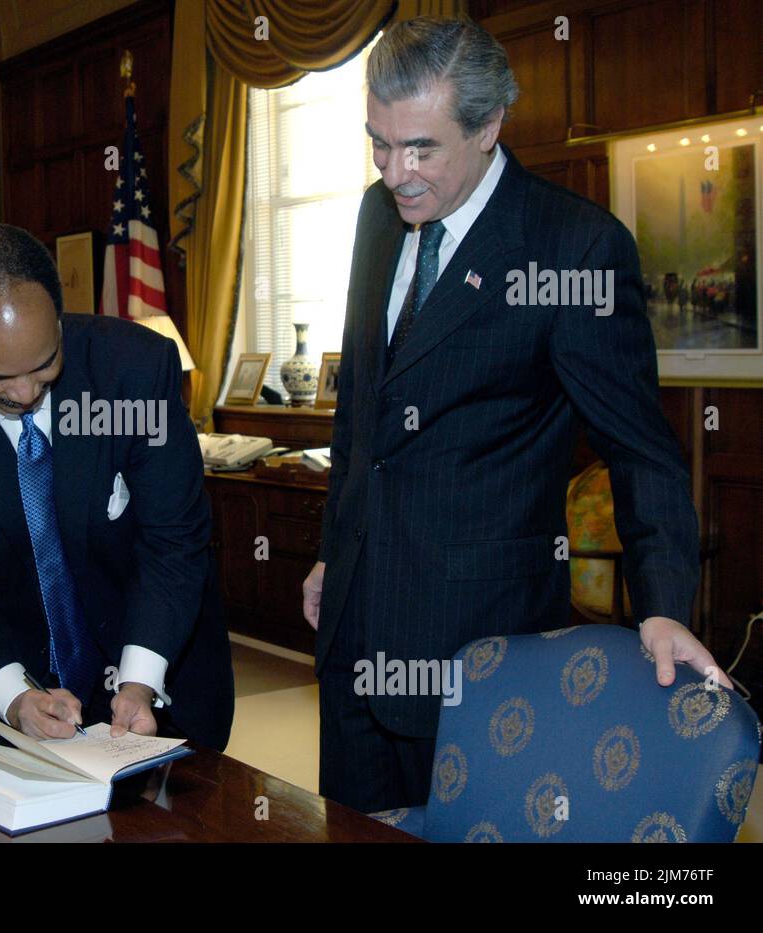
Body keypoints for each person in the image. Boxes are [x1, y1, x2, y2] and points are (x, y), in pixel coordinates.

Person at [301, 17, 727, 814]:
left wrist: (665, 602)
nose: (397, 173)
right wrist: (337, 548)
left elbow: (642, 450)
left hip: (481, 648)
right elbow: (363, 409)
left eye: (421, 147)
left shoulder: (572, 249)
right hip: (355, 630)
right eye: (379, 144)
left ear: (489, 125)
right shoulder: (374, 216)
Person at [0, 223, 233, 750]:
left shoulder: (132, 373)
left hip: (160, 669)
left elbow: (173, 540)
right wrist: (16, 696)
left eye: (44, 366)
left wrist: (138, 681)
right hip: (15, 687)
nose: (24, 393)